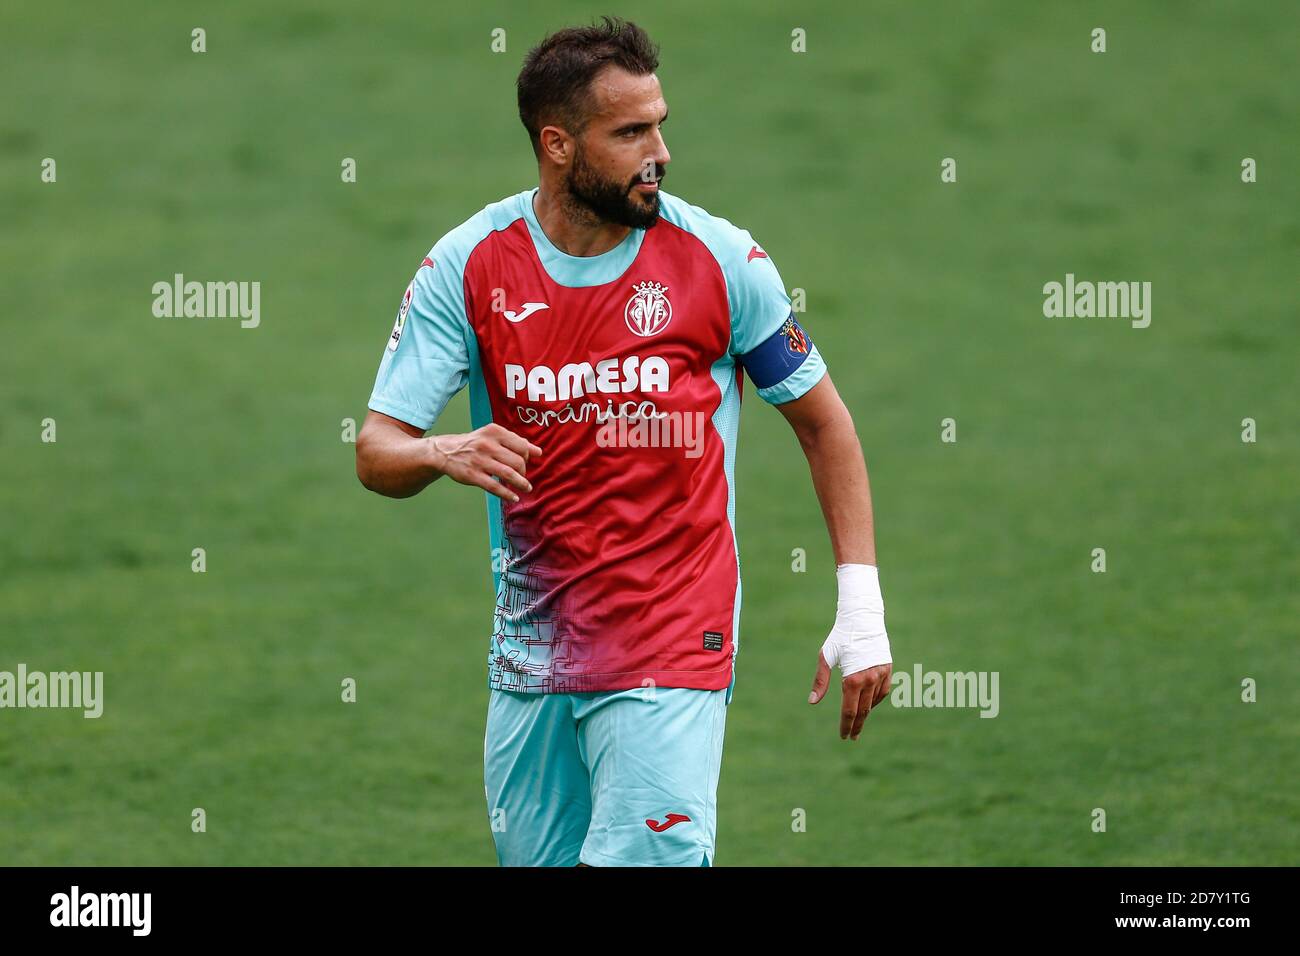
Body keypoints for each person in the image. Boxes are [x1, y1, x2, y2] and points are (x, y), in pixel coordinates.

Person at [355, 16, 892, 867]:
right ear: (558, 144)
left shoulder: (722, 260)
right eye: (631, 131)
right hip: (531, 655)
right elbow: (376, 449)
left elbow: (825, 422)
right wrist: (439, 453)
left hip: (673, 638)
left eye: (661, 124)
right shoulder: (471, 265)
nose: (661, 152)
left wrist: (861, 609)